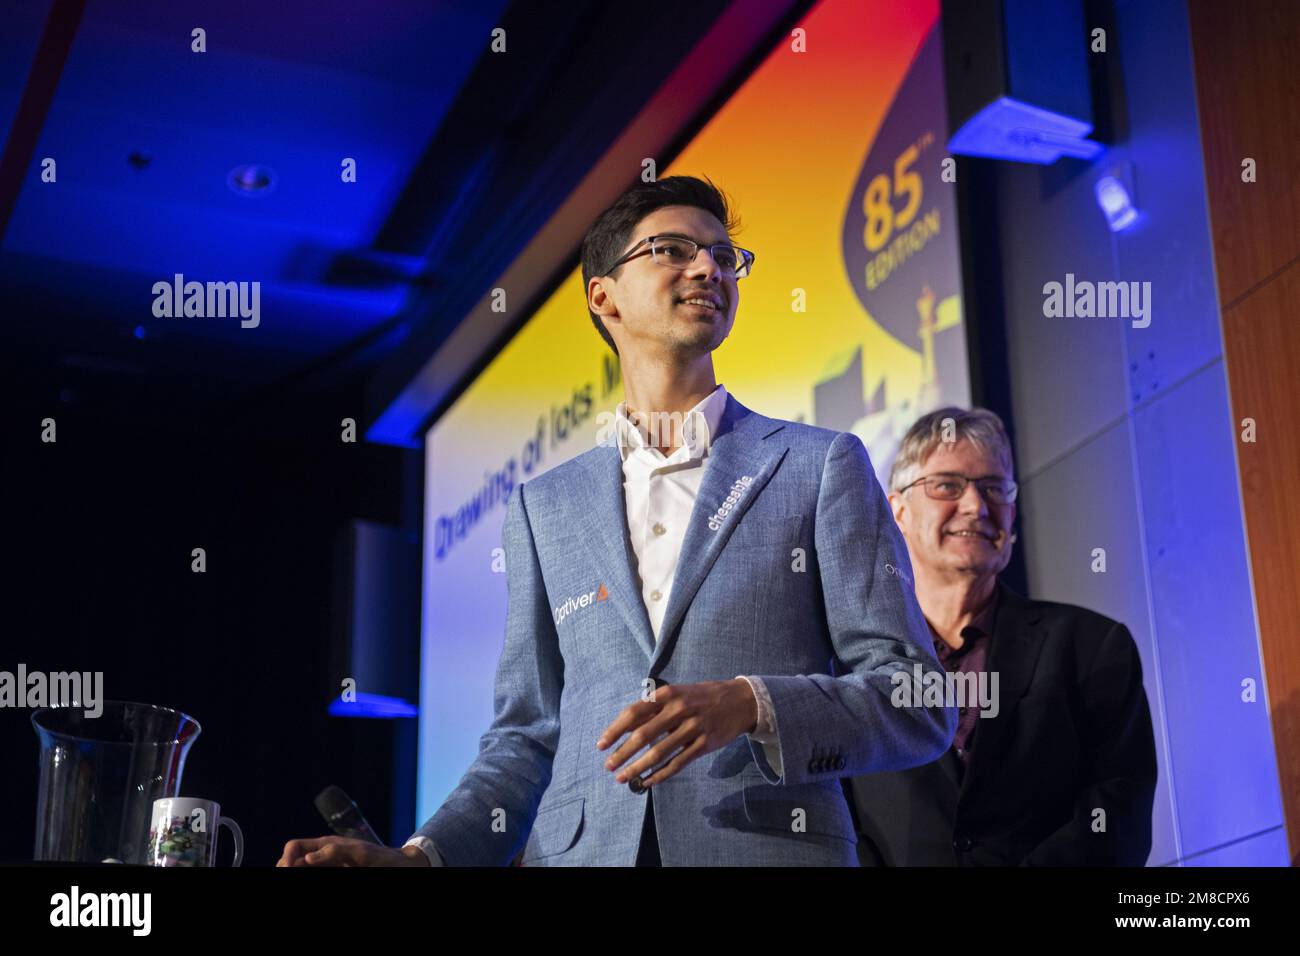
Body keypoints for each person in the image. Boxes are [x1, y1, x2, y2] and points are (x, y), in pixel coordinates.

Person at [279, 175, 954, 867]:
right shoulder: (545, 508)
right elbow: (527, 739)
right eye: (673, 249)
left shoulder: (819, 466)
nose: (708, 268)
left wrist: (751, 703)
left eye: (725, 257)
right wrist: (421, 857)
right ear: (603, 296)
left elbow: (917, 701)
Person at [848, 407, 1157, 865]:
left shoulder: (1092, 647)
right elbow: (835, 825)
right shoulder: (846, 665)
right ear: (898, 512)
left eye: (994, 488)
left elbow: (1118, 814)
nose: (976, 505)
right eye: (947, 486)